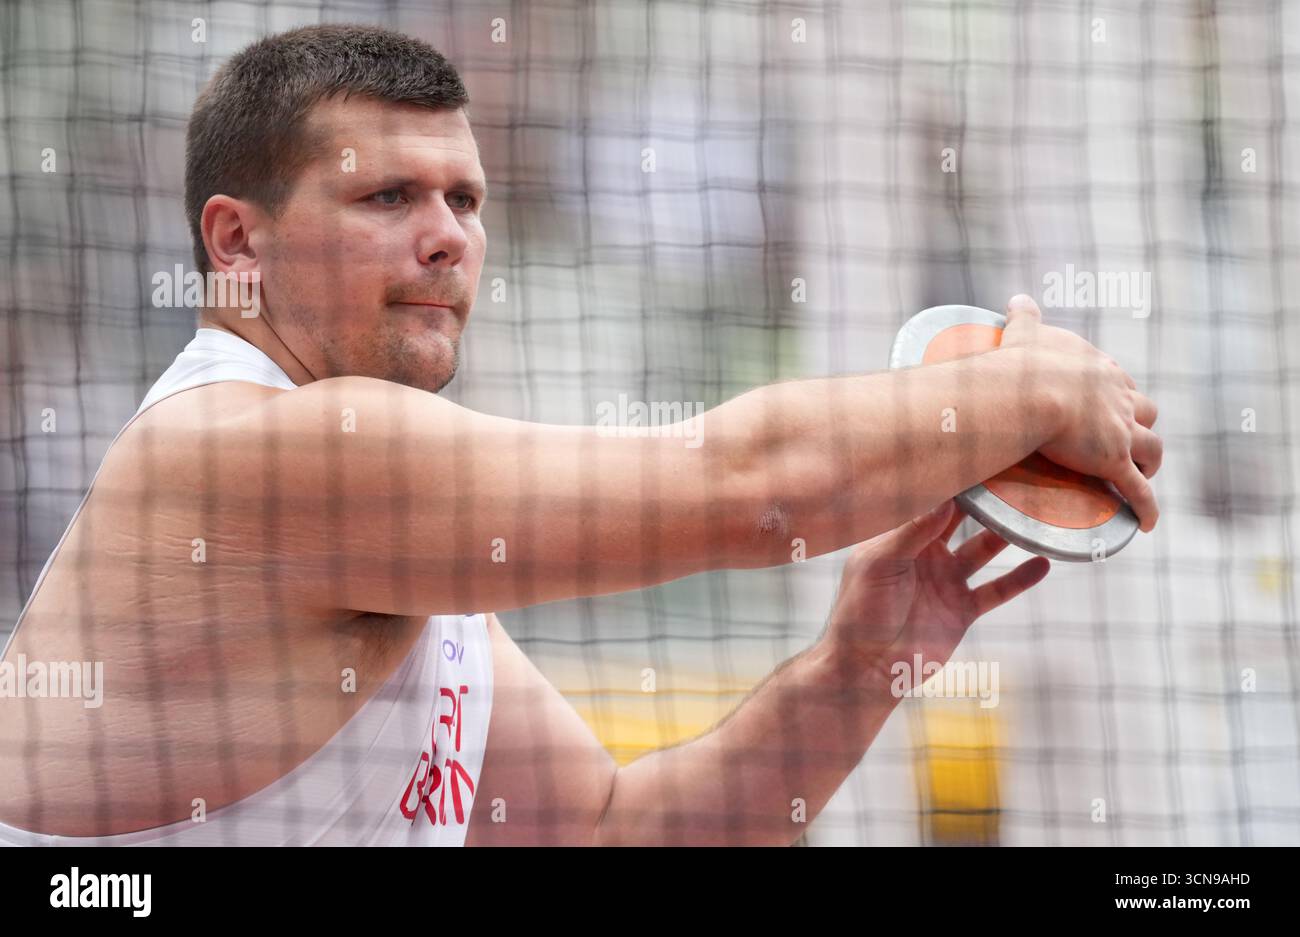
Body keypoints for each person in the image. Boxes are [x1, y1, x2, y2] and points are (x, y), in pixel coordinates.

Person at [0, 23, 1161, 846]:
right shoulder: (251, 456)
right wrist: (1036, 390)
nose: (449, 236)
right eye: (387, 197)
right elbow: (748, 485)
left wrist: (858, 666)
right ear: (237, 243)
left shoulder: (390, 550)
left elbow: (618, 834)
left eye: (466, 198)